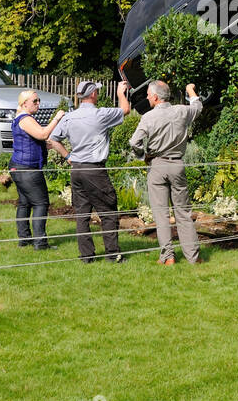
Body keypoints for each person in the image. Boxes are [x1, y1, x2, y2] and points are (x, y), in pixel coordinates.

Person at [48, 79, 132, 263]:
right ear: (93, 94)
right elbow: (125, 109)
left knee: (82, 215)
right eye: (98, 92)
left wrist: (68, 156)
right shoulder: (100, 114)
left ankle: (86, 256)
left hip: (77, 170)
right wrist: (120, 93)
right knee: (108, 212)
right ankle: (112, 254)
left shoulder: (69, 117)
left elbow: (53, 139)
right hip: (94, 171)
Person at [129, 80, 203, 265]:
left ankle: (168, 257)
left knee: (161, 213)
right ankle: (193, 257)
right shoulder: (181, 111)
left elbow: (134, 142)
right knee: (183, 212)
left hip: (157, 165)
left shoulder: (148, 117)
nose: (146, 97)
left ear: (155, 97)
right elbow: (198, 106)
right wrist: (190, 90)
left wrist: (142, 156)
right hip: (177, 164)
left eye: (148, 94)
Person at [11, 90, 64, 250]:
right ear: (24, 103)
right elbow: (42, 134)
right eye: (35, 101)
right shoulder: (25, 119)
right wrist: (57, 118)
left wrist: (43, 145)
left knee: (25, 203)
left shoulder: (23, 119)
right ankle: (40, 243)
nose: (38, 103)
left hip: (19, 166)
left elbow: (30, 139)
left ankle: (24, 238)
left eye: (38, 100)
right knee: (41, 203)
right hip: (27, 169)